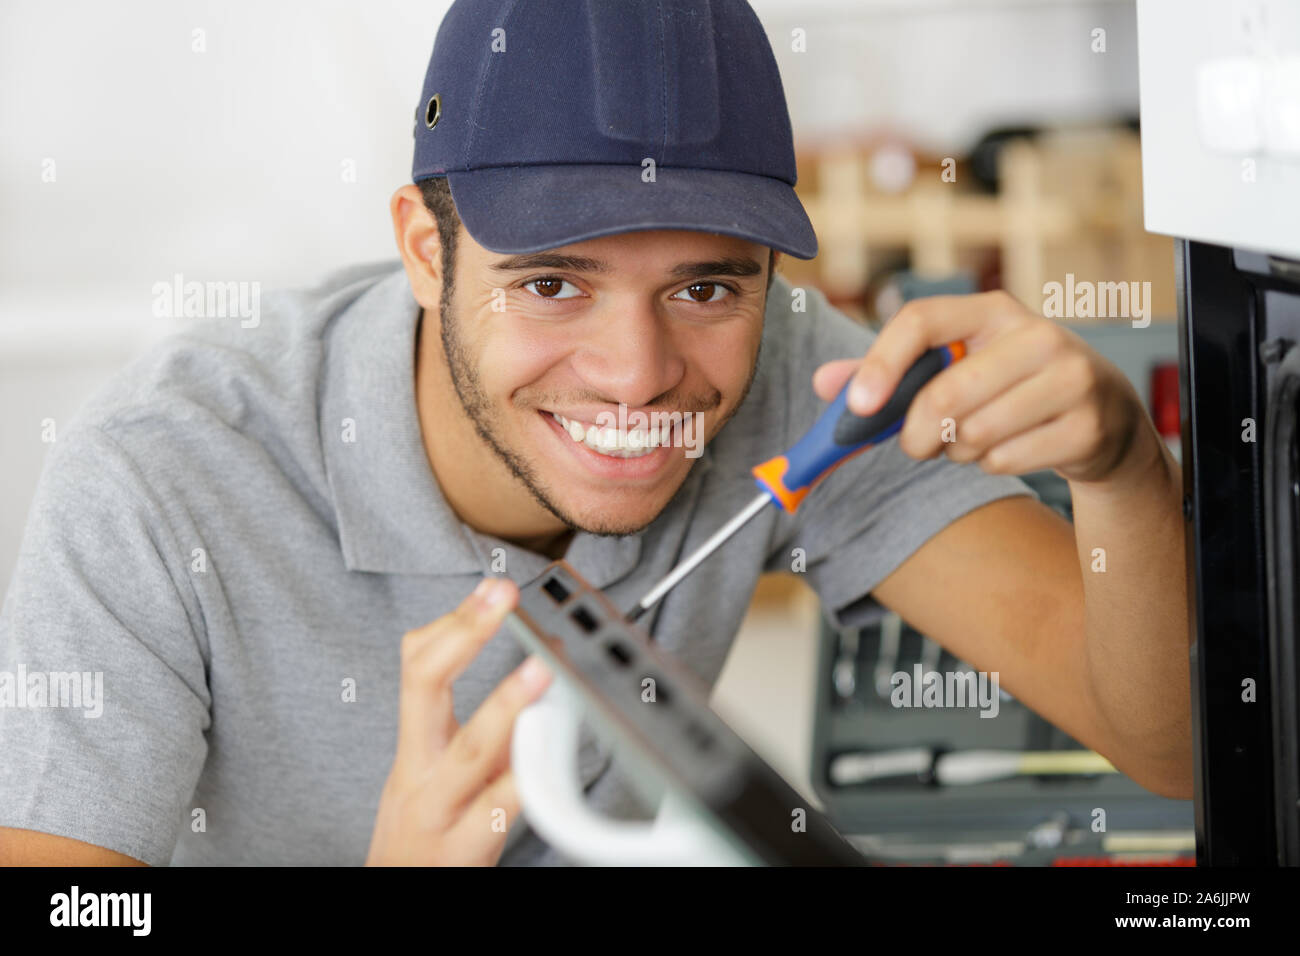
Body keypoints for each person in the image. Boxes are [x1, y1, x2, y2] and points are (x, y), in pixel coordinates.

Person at [0, 0, 1190, 866]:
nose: (639, 373)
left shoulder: (793, 371)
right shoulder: (155, 479)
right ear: (425, 247)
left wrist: (1123, 472)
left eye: (705, 287)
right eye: (553, 285)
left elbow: (1178, 753)